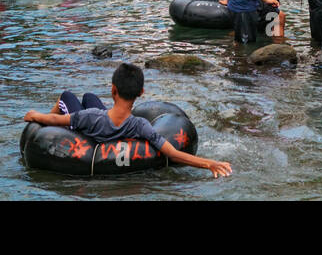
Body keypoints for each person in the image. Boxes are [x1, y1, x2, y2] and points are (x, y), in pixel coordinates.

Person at [23, 63, 232, 178]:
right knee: (88, 97)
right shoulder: (141, 126)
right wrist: (209, 163)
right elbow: (174, 153)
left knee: (66, 96)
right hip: (113, 123)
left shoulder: (89, 117)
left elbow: (53, 119)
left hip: (87, 131)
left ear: (113, 90)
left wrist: (35, 117)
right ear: (141, 92)